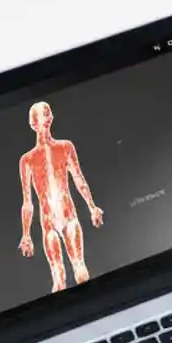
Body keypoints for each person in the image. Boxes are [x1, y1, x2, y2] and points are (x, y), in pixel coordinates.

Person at [17, 101, 104, 292]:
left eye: (48, 113)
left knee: (80, 268)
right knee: (58, 277)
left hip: (69, 215)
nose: (47, 118)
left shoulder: (65, 147)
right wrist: (26, 235)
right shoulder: (27, 160)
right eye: (43, 115)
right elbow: (27, 202)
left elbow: (78, 179)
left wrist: (92, 207)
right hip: (48, 222)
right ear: (33, 124)